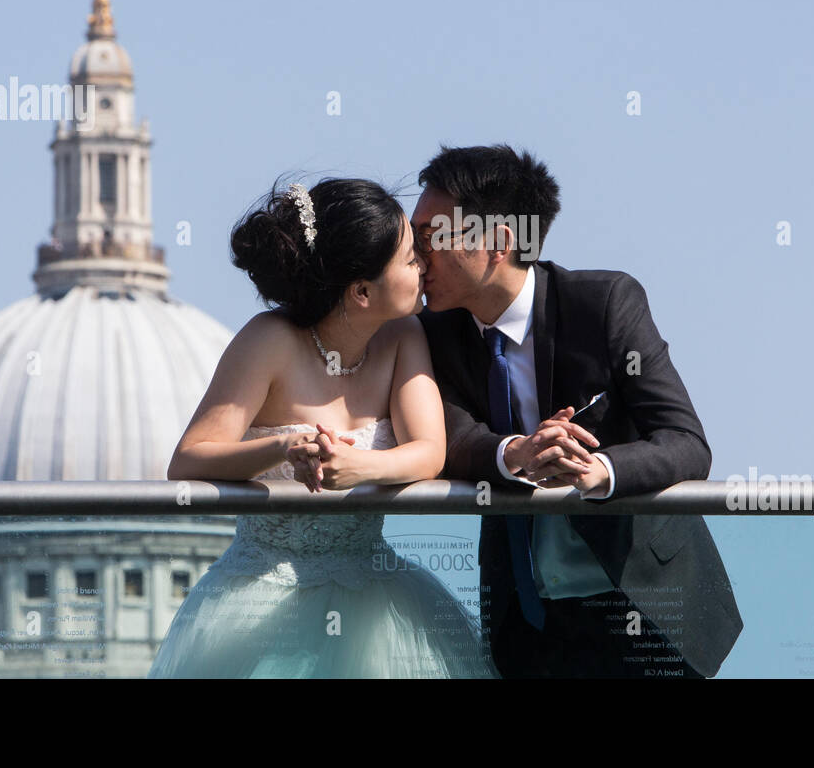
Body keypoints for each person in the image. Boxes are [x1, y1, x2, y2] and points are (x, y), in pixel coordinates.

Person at [413, 144, 744, 678]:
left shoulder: (605, 303)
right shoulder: (429, 332)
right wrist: (515, 453)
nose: (415, 253)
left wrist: (600, 471)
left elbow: (686, 442)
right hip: (526, 621)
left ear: (498, 242)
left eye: (431, 235)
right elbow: (447, 434)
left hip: (645, 605)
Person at [148, 176, 496, 678]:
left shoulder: (403, 335)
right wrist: (282, 449)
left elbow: (429, 451)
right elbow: (189, 459)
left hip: (379, 602)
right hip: (259, 601)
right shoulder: (267, 340)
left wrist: (358, 466)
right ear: (360, 291)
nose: (424, 263)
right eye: (408, 258)